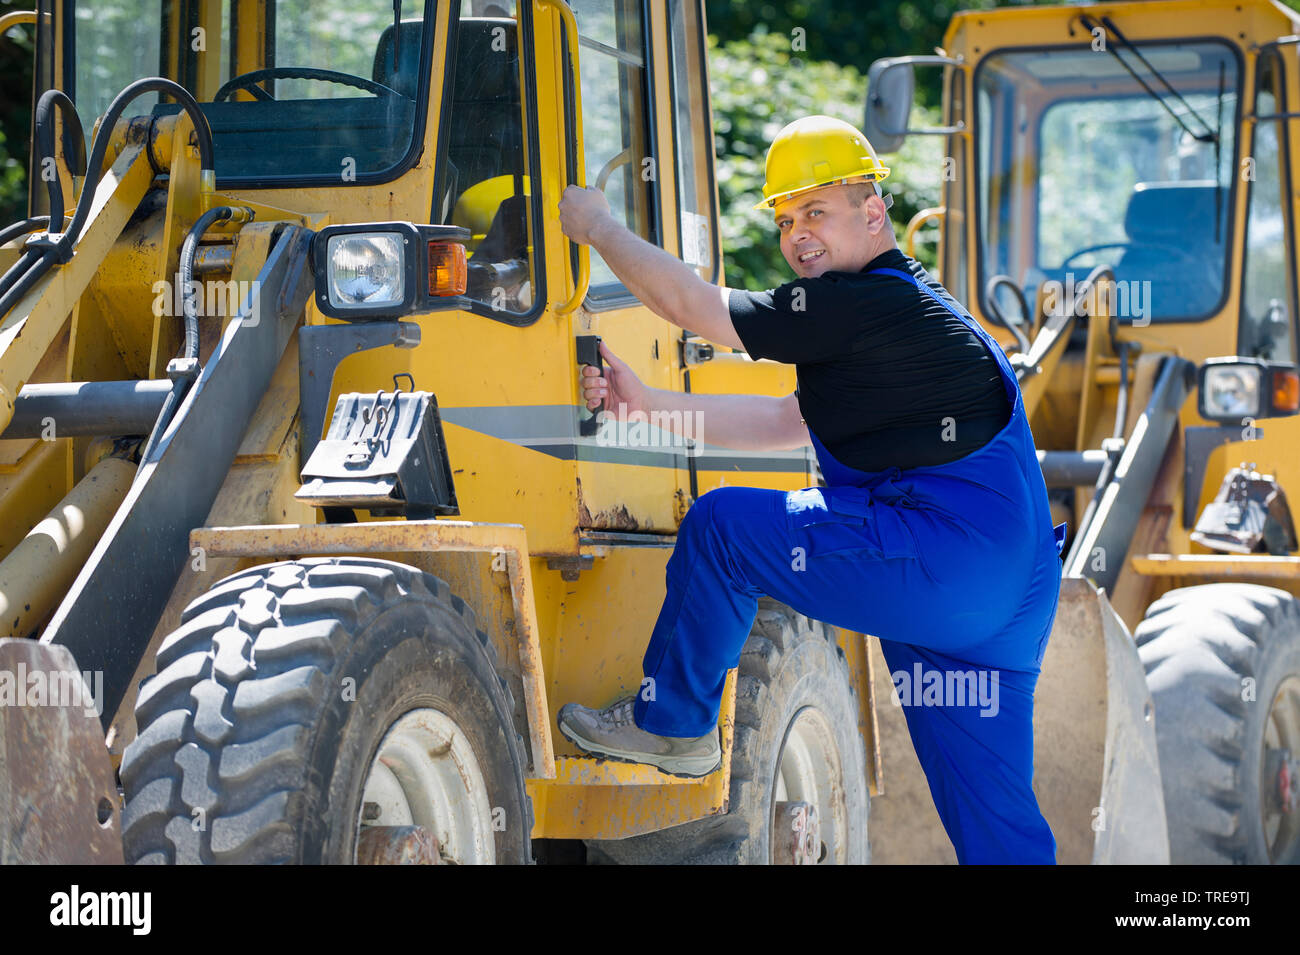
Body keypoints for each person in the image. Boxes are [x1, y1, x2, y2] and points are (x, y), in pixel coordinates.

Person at [555, 115, 1064, 864]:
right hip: (1008, 597)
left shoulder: (861, 306)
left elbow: (691, 306)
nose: (798, 235)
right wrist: (650, 404)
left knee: (724, 529)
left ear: (873, 212)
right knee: (998, 829)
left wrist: (597, 225)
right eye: (787, 218)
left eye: (816, 210)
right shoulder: (917, 308)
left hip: (946, 563)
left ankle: (674, 723)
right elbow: (783, 421)